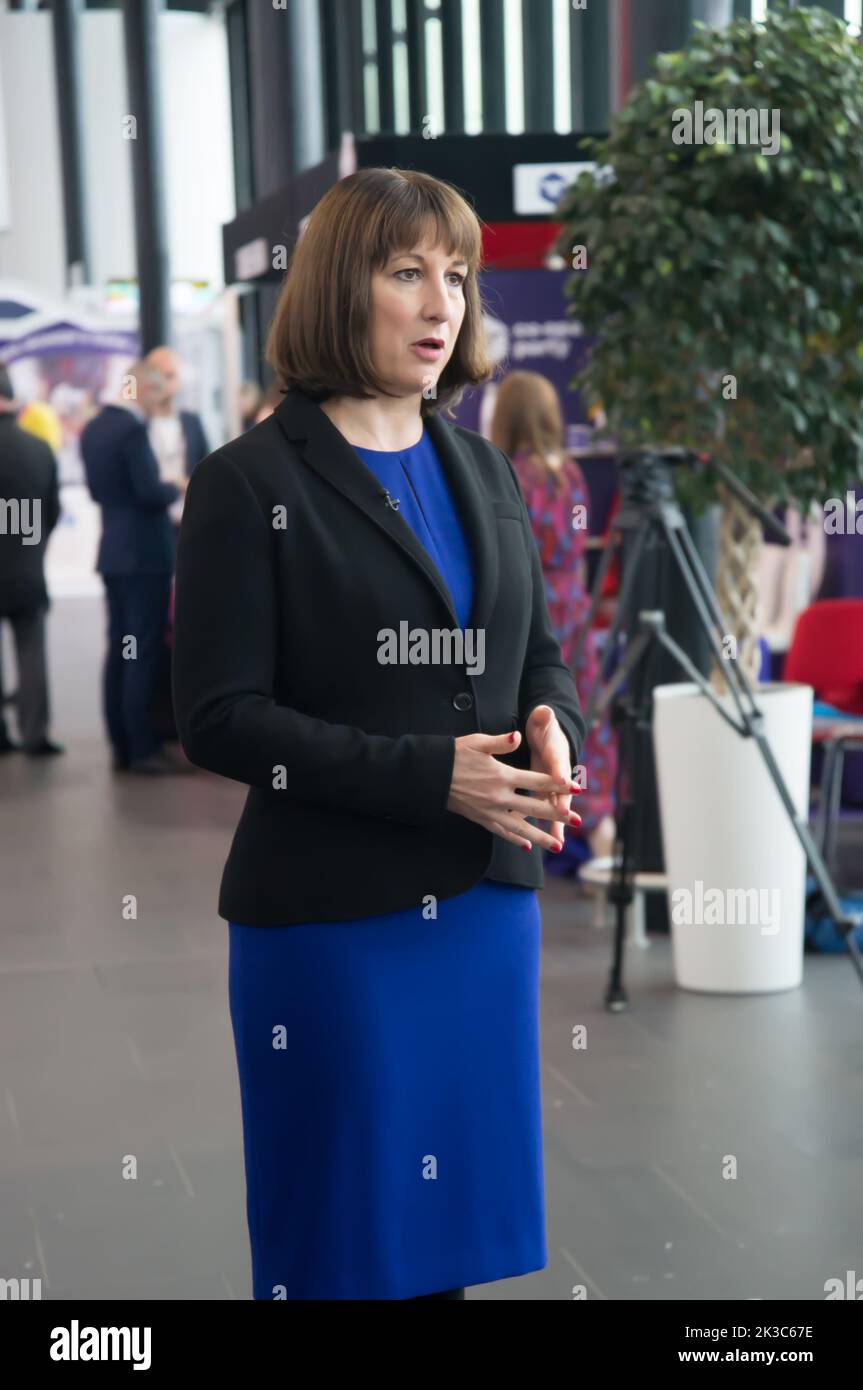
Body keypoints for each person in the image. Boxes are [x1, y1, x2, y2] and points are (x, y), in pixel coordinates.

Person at [171, 167, 586, 1301]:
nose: (441, 303)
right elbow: (215, 717)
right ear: (337, 292)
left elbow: (534, 653)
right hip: (334, 921)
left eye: (456, 275)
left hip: (480, 915)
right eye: (406, 273)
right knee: (347, 1253)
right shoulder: (249, 480)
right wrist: (428, 778)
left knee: (443, 1255)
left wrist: (554, 723)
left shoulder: (481, 466)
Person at [491, 372, 617, 863]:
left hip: (532, 609)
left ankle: (535, 843)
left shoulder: (507, 475)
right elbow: (582, 551)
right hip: (574, 608)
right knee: (584, 716)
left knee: (532, 716)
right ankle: (600, 835)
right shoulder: (570, 473)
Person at [81, 360, 193, 775]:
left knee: (120, 647)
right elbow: (149, 492)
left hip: (113, 551)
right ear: (143, 390)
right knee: (141, 650)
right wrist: (176, 485)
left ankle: (122, 742)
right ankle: (142, 747)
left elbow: (99, 492)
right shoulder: (130, 431)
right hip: (144, 555)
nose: (159, 402)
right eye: (158, 393)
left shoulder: (95, 428)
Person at [0, 366, 64, 756]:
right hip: (26, 568)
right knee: (31, 652)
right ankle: (35, 732)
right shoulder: (39, 449)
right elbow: (52, 511)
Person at [143, 345, 210, 528]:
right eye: (161, 375)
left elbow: (207, 468)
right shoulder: (137, 425)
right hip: (151, 524)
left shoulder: (191, 422)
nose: (165, 383)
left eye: (171, 376)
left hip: (189, 522)